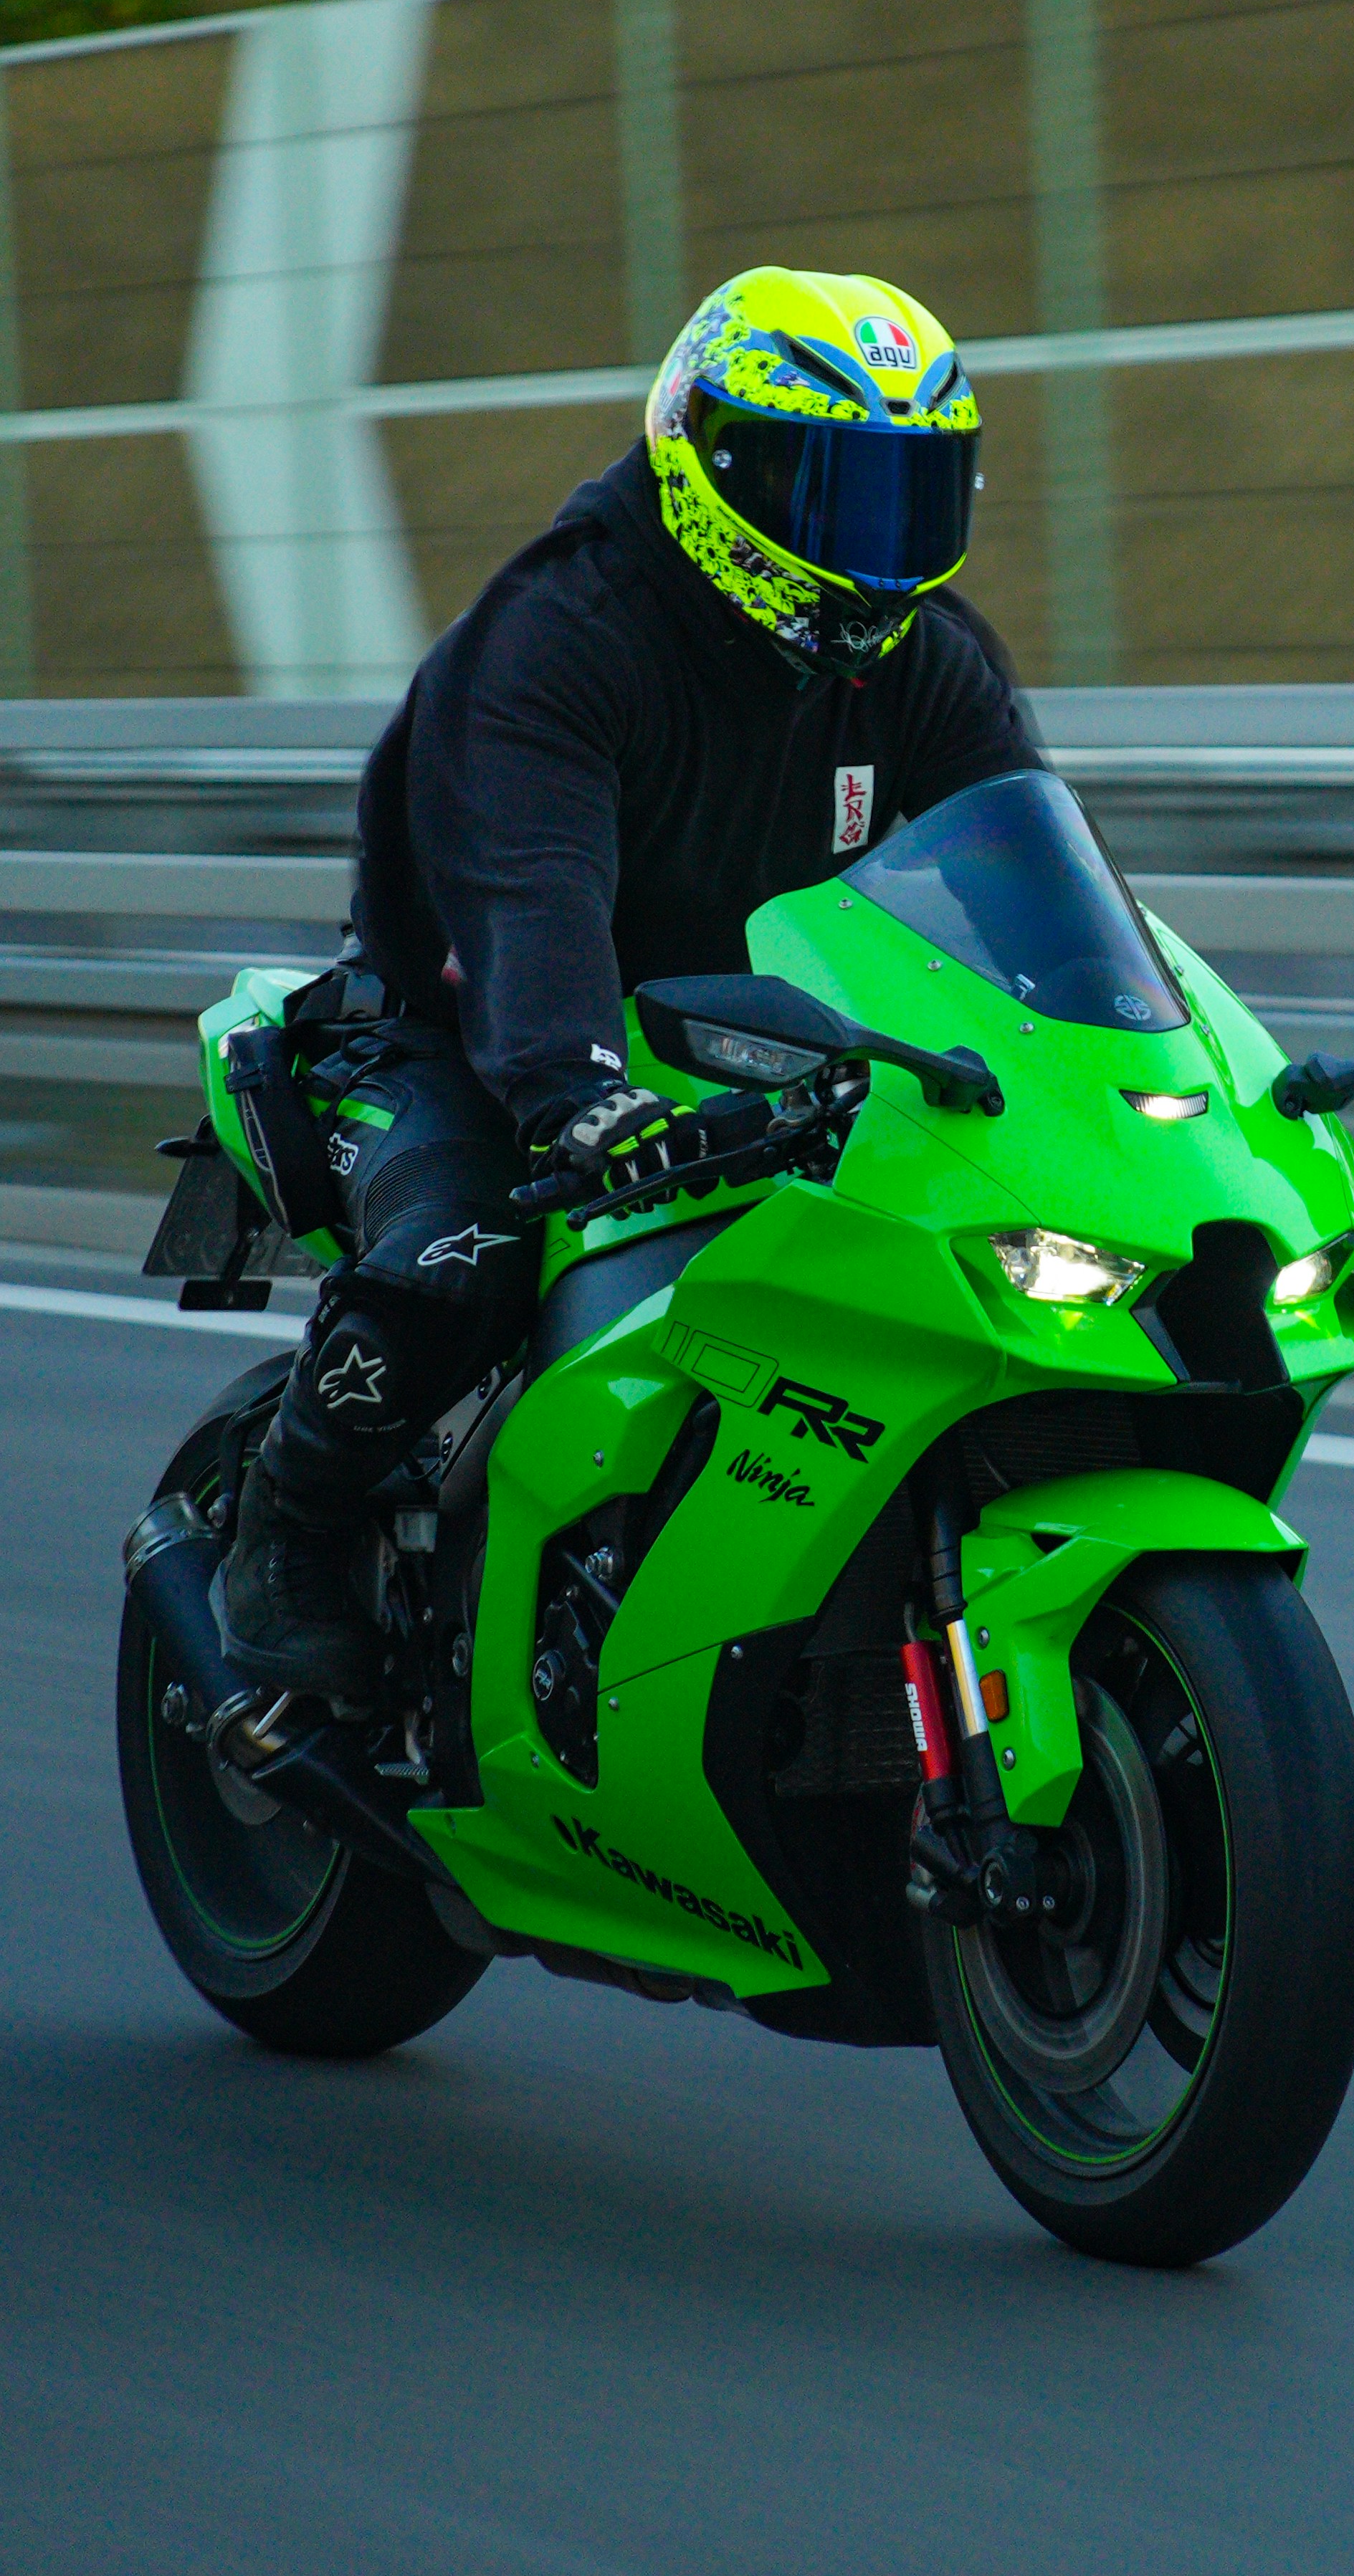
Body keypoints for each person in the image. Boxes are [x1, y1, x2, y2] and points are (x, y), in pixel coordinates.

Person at [216, 264, 1033, 1711]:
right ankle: (287, 1529)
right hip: (472, 1041)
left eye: (912, 497)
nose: (877, 546)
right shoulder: (559, 637)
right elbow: (531, 895)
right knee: (456, 1264)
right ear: (711, 463)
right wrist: (577, 1095)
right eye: (832, 489)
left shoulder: (930, 666)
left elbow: (1026, 886)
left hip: (775, 1060)